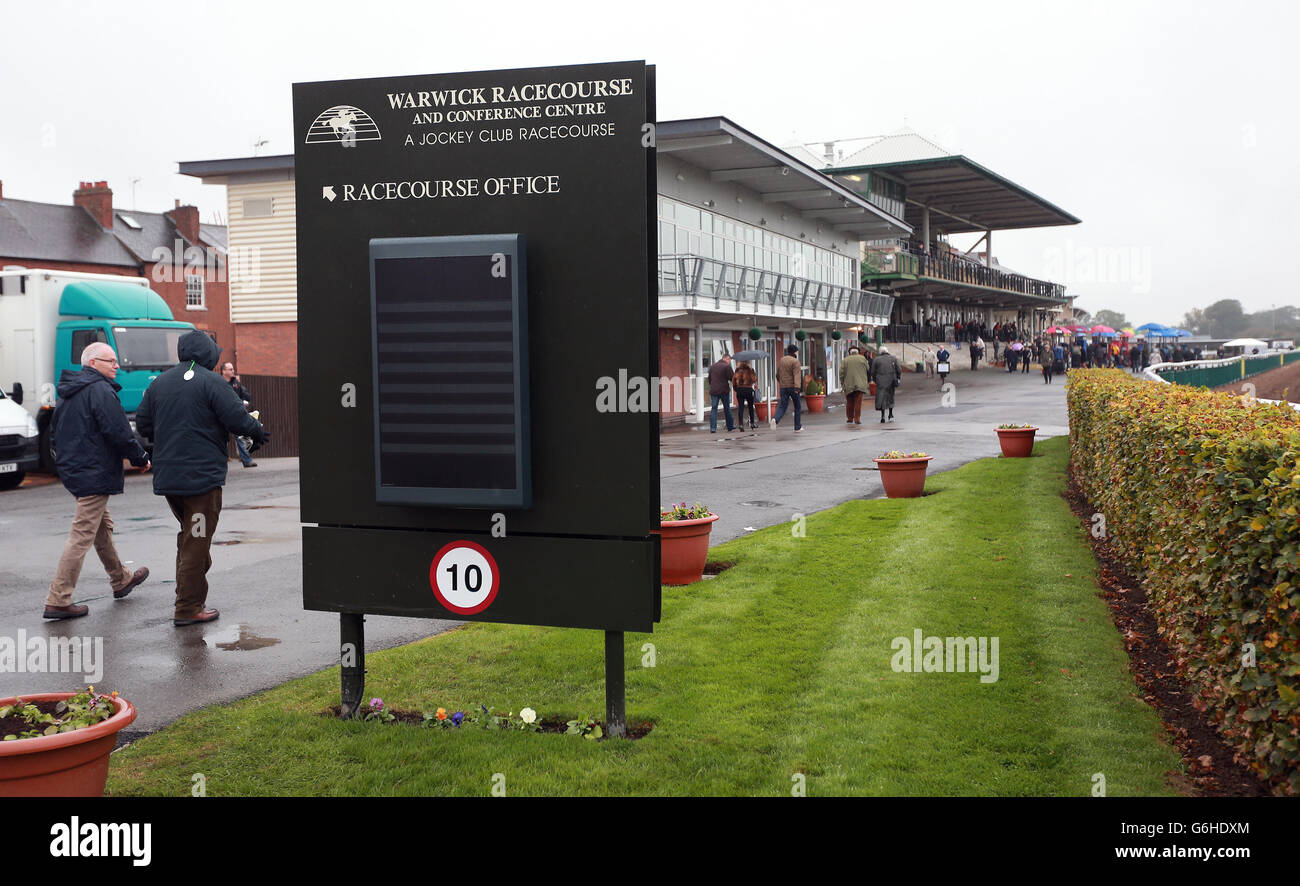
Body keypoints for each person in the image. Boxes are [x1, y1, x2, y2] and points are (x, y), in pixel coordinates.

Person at [136, 330, 267, 627]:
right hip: (201, 479)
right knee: (196, 542)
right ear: (208, 354)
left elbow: (143, 423)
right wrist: (257, 431)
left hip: (170, 478)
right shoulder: (212, 382)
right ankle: (188, 607)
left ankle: (190, 596)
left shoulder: (159, 383)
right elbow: (238, 419)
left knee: (191, 536)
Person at [43, 343, 152, 619]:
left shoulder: (70, 392)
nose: (117, 365)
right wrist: (140, 458)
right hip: (93, 471)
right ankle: (58, 598)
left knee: (101, 527)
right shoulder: (100, 391)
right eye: (111, 361)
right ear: (93, 363)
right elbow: (118, 432)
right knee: (82, 534)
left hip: (76, 470)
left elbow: (55, 433)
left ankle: (120, 578)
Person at [220, 362, 257, 468]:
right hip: (221, 414)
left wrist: (245, 401)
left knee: (240, 437)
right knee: (221, 437)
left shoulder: (236, 383)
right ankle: (220, 461)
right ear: (223, 371)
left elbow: (243, 395)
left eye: (233, 369)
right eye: (230, 369)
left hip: (234, 414)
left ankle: (246, 460)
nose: (233, 371)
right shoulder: (217, 382)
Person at [772, 344, 804, 431]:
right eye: (797, 351)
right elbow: (796, 375)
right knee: (797, 406)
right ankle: (797, 427)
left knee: (782, 406)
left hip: (783, 387)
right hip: (793, 387)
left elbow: (778, 374)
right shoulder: (795, 361)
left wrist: (781, 382)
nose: (797, 353)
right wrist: (797, 387)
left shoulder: (782, 360)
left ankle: (775, 419)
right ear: (794, 352)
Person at [839, 345, 871, 425]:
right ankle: (857, 418)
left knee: (849, 401)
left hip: (848, 384)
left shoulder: (845, 360)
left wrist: (842, 383)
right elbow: (868, 369)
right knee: (858, 402)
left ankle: (850, 418)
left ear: (850, 352)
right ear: (858, 352)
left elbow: (841, 373)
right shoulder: (863, 359)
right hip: (860, 384)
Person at [870, 345, 901, 423]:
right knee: (890, 397)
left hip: (880, 381)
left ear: (880, 352)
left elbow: (872, 371)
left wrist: (875, 379)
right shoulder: (893, 358)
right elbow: (899, 370)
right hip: (891, 381)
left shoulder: (876, 359)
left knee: (882, 398)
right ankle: (890, 414)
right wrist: (898, 378)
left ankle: (882, 416)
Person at [706, 354, 735, 434]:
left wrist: (713, 385)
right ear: (726, 358)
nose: (729, 362)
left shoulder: (713, 366)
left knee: (714, 408)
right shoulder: (726, 367)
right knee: (727, 408)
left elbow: (709, 379)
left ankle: (713, 428)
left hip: (714, 390)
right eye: (729, 360)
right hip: (723, 390)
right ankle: (730, 426)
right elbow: (732, 377)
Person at [732, 359, 758, 430]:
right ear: (748, 363)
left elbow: (733, 381)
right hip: (748, 389)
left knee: (741, 407)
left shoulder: (737, 370)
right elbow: (754, 380)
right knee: (750, 407)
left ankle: (741, 424)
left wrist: (736, 389)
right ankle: (752, 423)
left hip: (740, 390)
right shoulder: (750, 370)